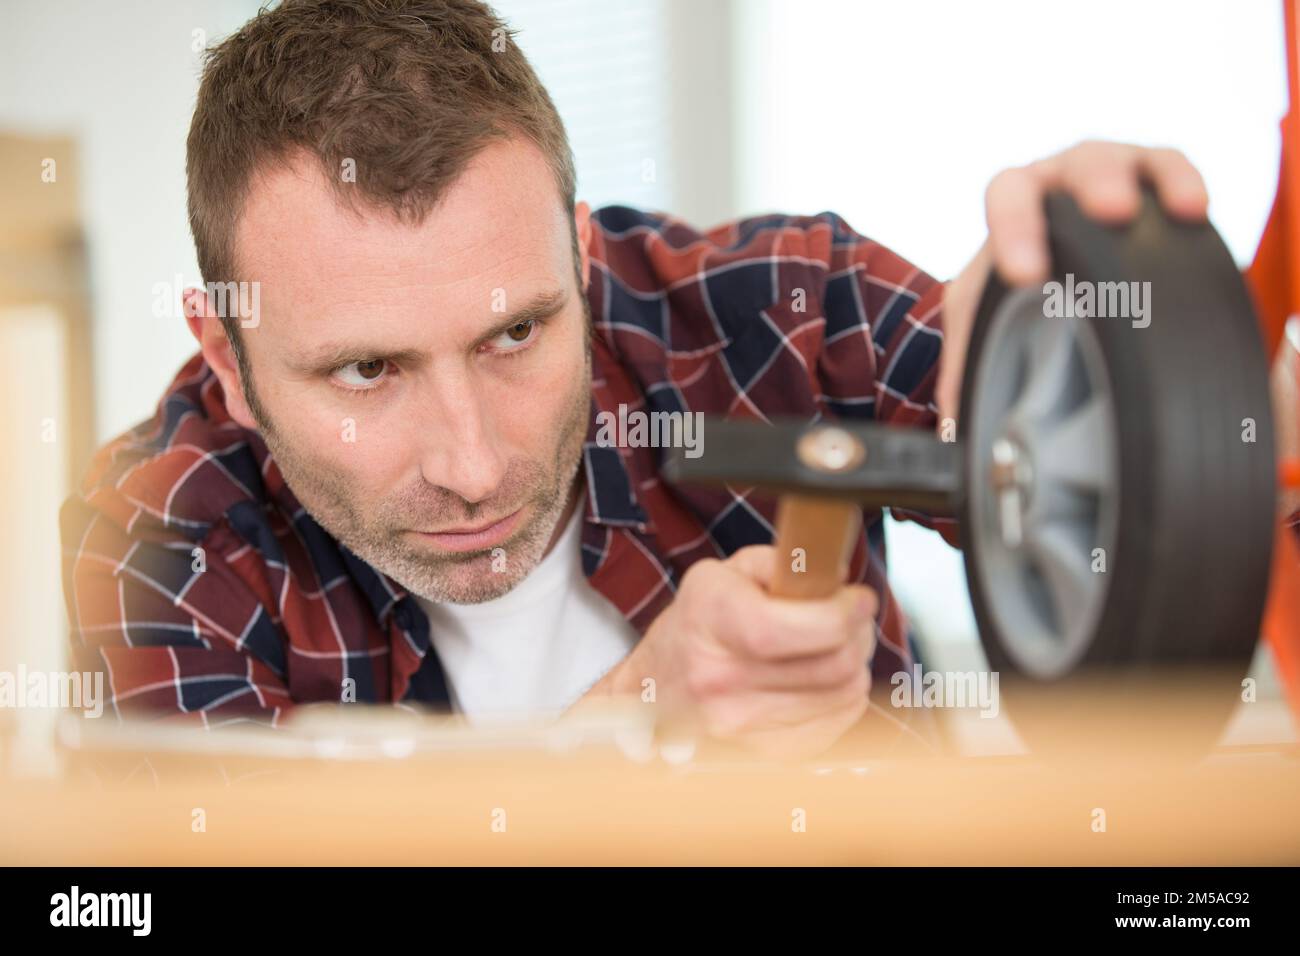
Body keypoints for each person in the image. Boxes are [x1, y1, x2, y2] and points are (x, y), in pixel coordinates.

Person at [59, 0, 1209, 759]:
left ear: (577, 250)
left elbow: (1204, 506)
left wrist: (1177, 339)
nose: (474, 464)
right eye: (367, 369)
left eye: (515, 332)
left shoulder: (789, 311)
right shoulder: (161, 540)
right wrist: (628, 730)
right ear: (228, 353)